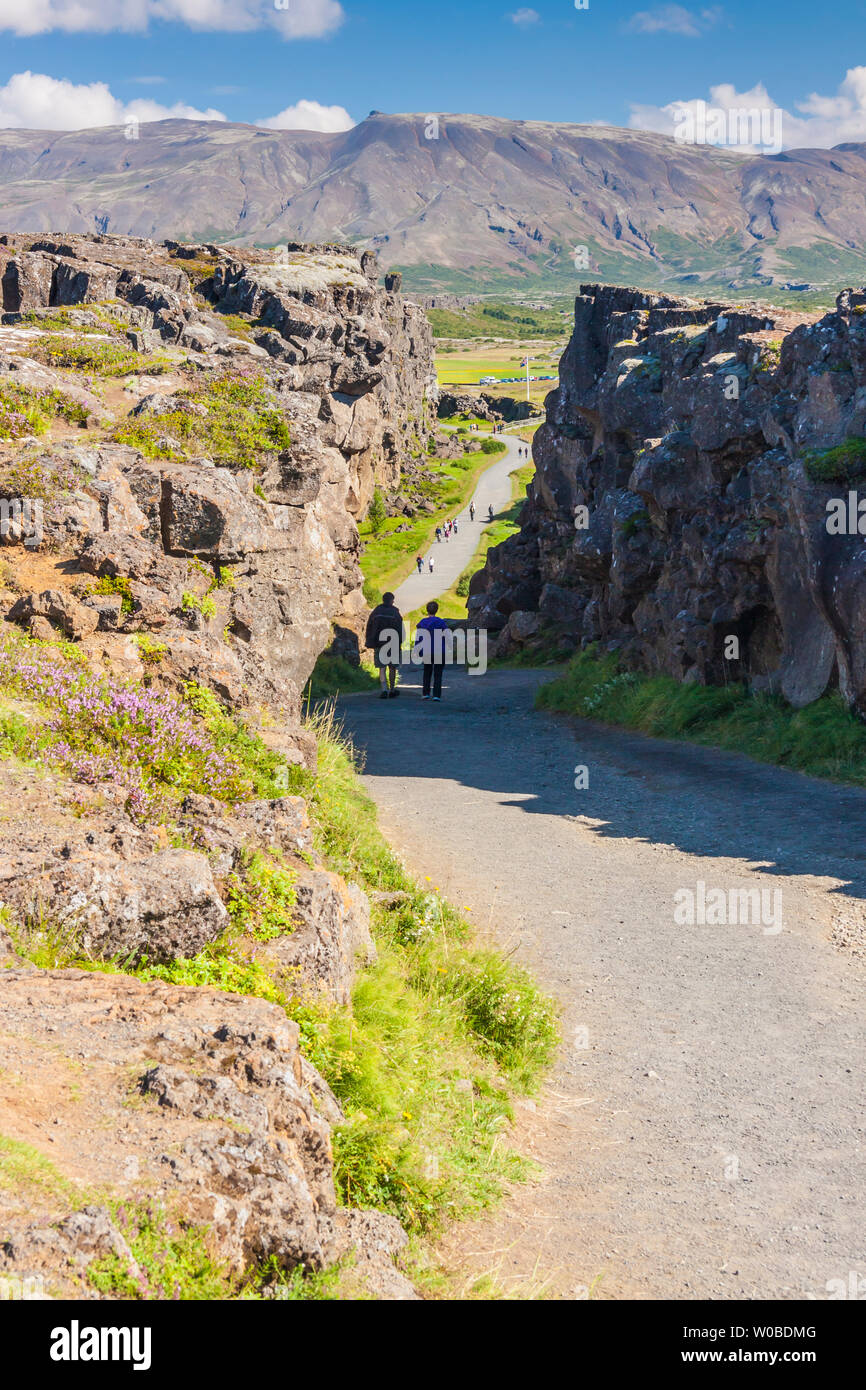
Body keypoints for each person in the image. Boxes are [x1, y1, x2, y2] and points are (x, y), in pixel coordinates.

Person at [364, 591, 404, 700]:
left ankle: (384, 690)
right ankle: (392, 689)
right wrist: (400, 642)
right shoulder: (395, 613)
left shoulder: (376, 612)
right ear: (391, 601)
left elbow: (369, 626)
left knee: (381, 667)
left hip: (379, 643)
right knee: (392, 667)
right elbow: (400, 629)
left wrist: (369, 641)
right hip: (393, 643)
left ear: (383, 600)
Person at [415, 599, 450, 702]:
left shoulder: (422, 623)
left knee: (427, 672)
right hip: (439, 651)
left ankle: (425, 693)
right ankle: (436, 695)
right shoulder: (441, 622)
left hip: (426, 651)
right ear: (436, 610)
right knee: (438, 673)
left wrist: (417, 650)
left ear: (427, 610)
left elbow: (419, 638)